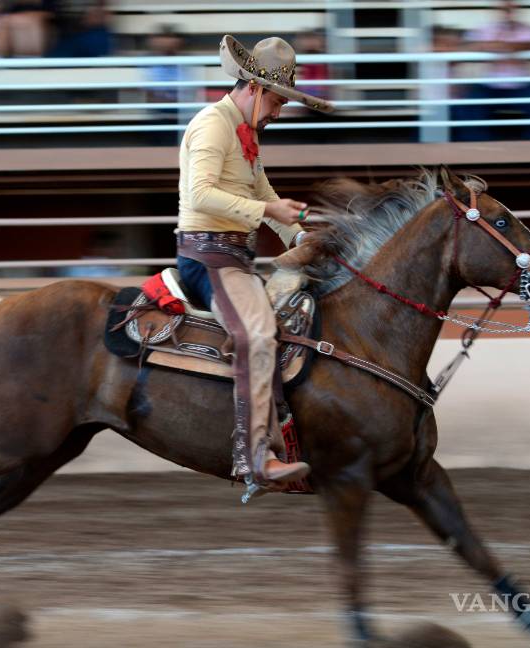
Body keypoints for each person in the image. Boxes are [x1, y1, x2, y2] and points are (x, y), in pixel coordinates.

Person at [175, 35, 333, 489]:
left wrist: (300, 232)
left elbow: (264, 195)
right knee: (260, 334)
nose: (279, 112)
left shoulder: (243, 133)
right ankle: (255, 456)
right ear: (255, 88)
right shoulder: (213, 125)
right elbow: (199, 194)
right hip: (208, 258)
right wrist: (270, 212)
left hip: (230, 257)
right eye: (278, 101)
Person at [454, 0, 530, 141]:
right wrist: (511, 47)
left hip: (523, 84)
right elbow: (472, 45)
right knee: (470, 108)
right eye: (505, 8)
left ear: (518, 9)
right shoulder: (486, 28)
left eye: (511, 8)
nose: (508, 12)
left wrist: (496, 46)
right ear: (498, 10)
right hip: (490, 85)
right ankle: (477, 149)